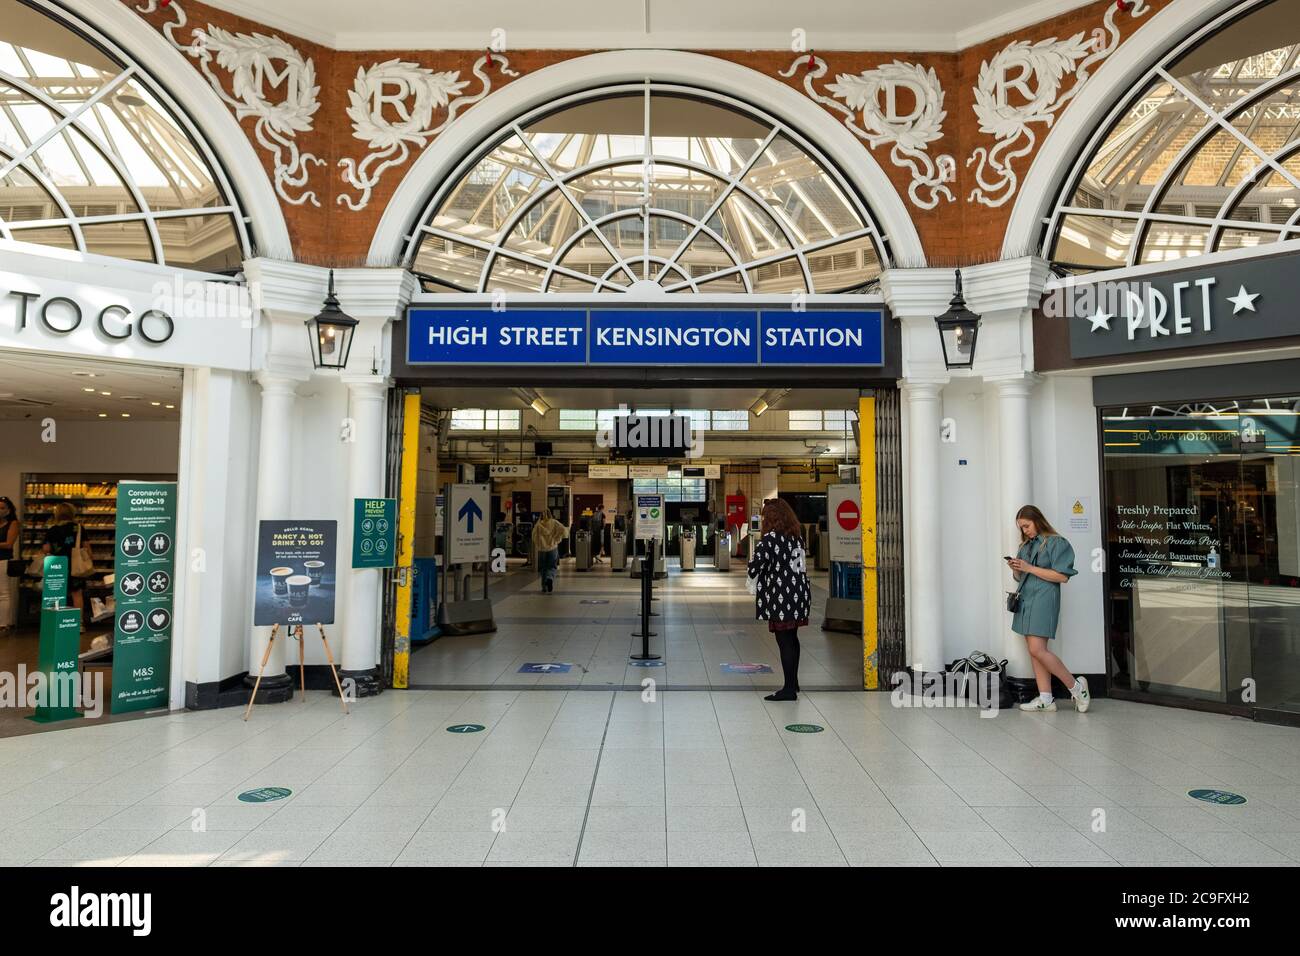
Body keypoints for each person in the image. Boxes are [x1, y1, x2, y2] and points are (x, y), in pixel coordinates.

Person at [1008, 505, 1090, 713]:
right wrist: (1017, 570)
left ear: (1038, 520)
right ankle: (1045, 698)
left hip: (1044, 599)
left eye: (1026, 525)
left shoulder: (1056, 543)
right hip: (1026, 598)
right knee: (1034, 651)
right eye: (1021, 527)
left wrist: (1029, 568)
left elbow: (1062, 576)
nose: (1024, 530)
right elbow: (1022, 577)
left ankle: (1077, 688)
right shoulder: (1026, 545)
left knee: (1038, 650)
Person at [748, 498, 811, 701]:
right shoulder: (797, 538)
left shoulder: (770, 539)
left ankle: (789, 689)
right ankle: (793, 682)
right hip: (798, 593)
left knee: (784, 641)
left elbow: (754, 566)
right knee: (792, 638)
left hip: (781, 596)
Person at [42, 501, 85, 613]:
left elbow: (46, 549)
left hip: (57, 565)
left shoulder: (52, 530)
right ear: (72, 513)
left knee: (57, 593)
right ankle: (79, 623)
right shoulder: (79, 528)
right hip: (75, 566)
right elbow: (87, 548)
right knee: (77, 594)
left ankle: (57, 621)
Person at [531, 511, 569, 593]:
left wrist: (539, 544)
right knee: (552, 566)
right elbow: (563, 530)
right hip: (552, 548)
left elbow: (533, 536)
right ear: (550, 514)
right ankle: (550, 578)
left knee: (543, 568)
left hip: (541, 550)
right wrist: (556, 538)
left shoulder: (538, 525)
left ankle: (544, 587)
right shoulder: (554, 522)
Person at [0, 496, 20, 634]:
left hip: (3, 561)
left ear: (9, 510)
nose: (0, 510)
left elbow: (8, 544)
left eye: (2, 508)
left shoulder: (13, 523)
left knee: (4, 593)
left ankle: (3, 624)